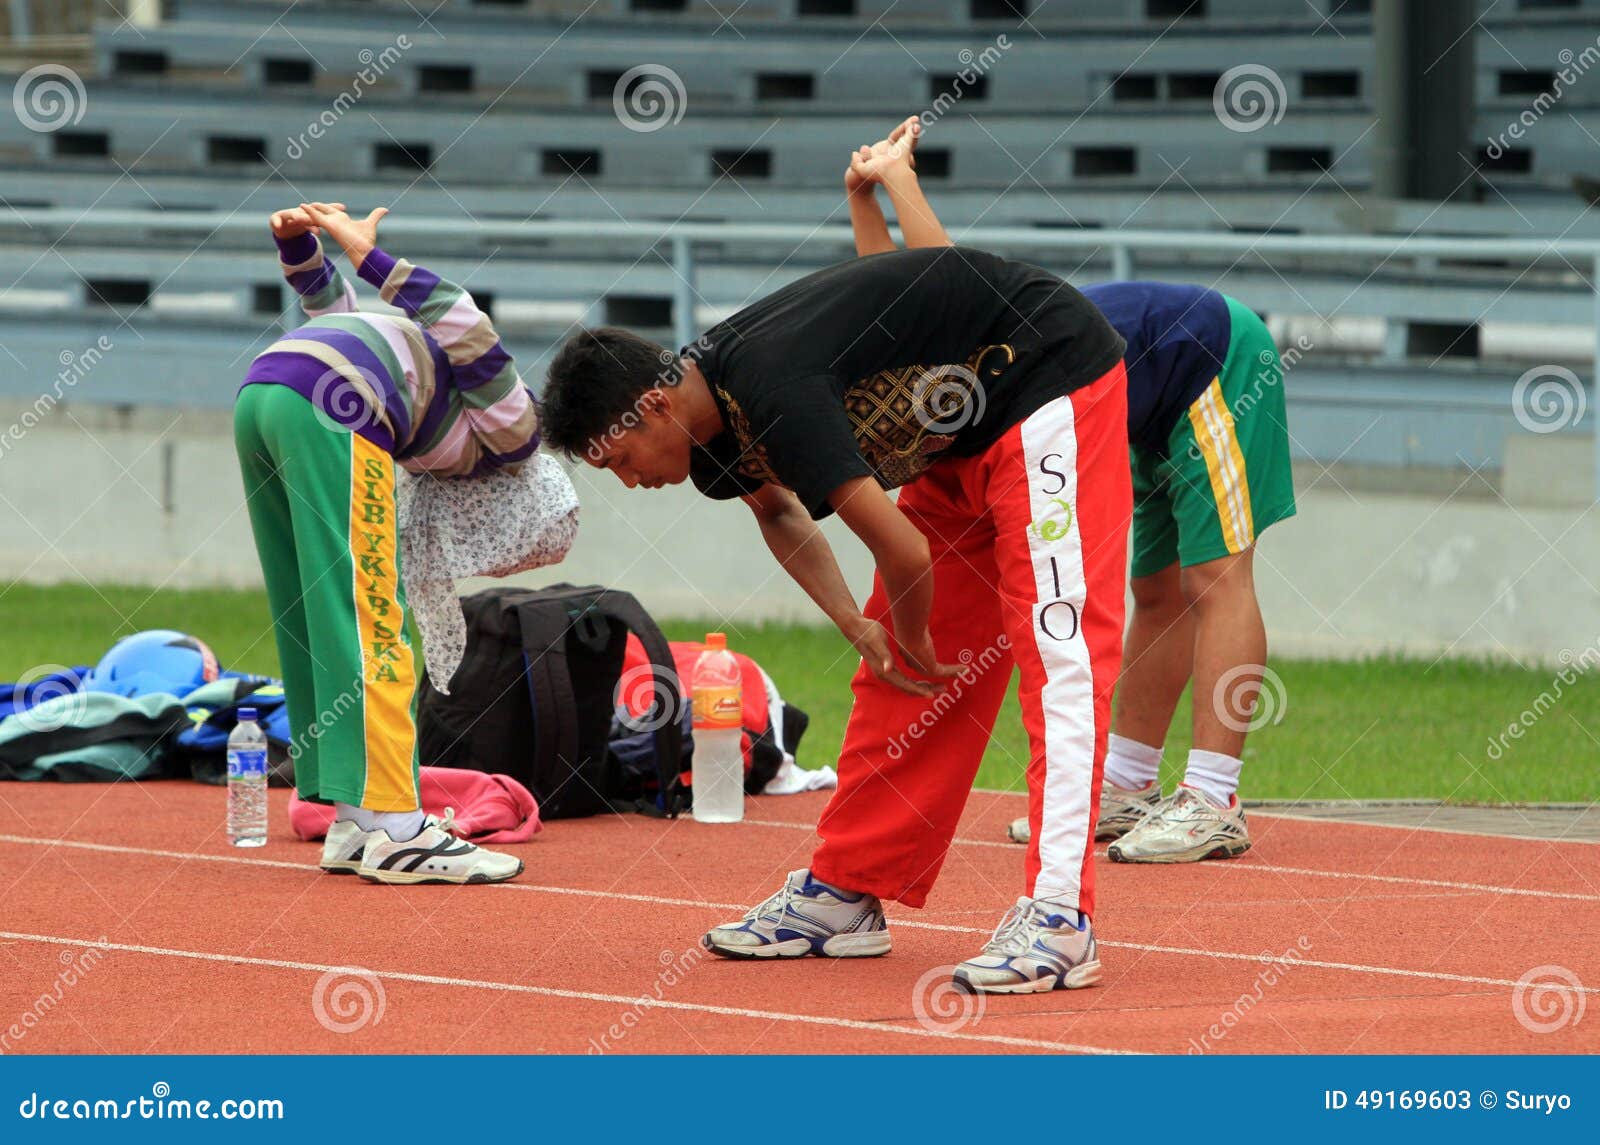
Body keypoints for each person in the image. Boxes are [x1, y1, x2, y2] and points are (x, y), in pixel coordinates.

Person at [540, 208, 1131, 994]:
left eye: (620, 458)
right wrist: (857, 624)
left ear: (652, 407)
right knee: (900, 675)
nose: (629, 480)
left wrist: (903, 630)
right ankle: (848, 888)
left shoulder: (774, 386)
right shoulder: (707, 418)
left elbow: (905, 552)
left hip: (1045, 380)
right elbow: (780, 514)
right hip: (952, 440)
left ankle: (1060, 915)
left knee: (1058, 653)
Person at [846, 119, 1297, 862]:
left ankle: (1214, 797)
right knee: (1155, 591)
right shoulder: (927, 372)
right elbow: (899, 289)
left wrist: (900, 181)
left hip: (1210, 359)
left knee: (1214, 577)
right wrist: (863, 201)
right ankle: (1127, 784)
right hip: (1139, 403)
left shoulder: (959, 349)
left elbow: (937, 281)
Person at [234, 201, 537, 885]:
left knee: (316, 615)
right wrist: (366, 254)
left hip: (268, 394)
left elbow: (334, 314)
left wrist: (299, 252)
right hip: (328, 403)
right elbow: (462, 316)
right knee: (374, 618)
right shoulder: (515, 431)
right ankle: (401, 829)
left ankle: (356, 818)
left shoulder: (420, 394)